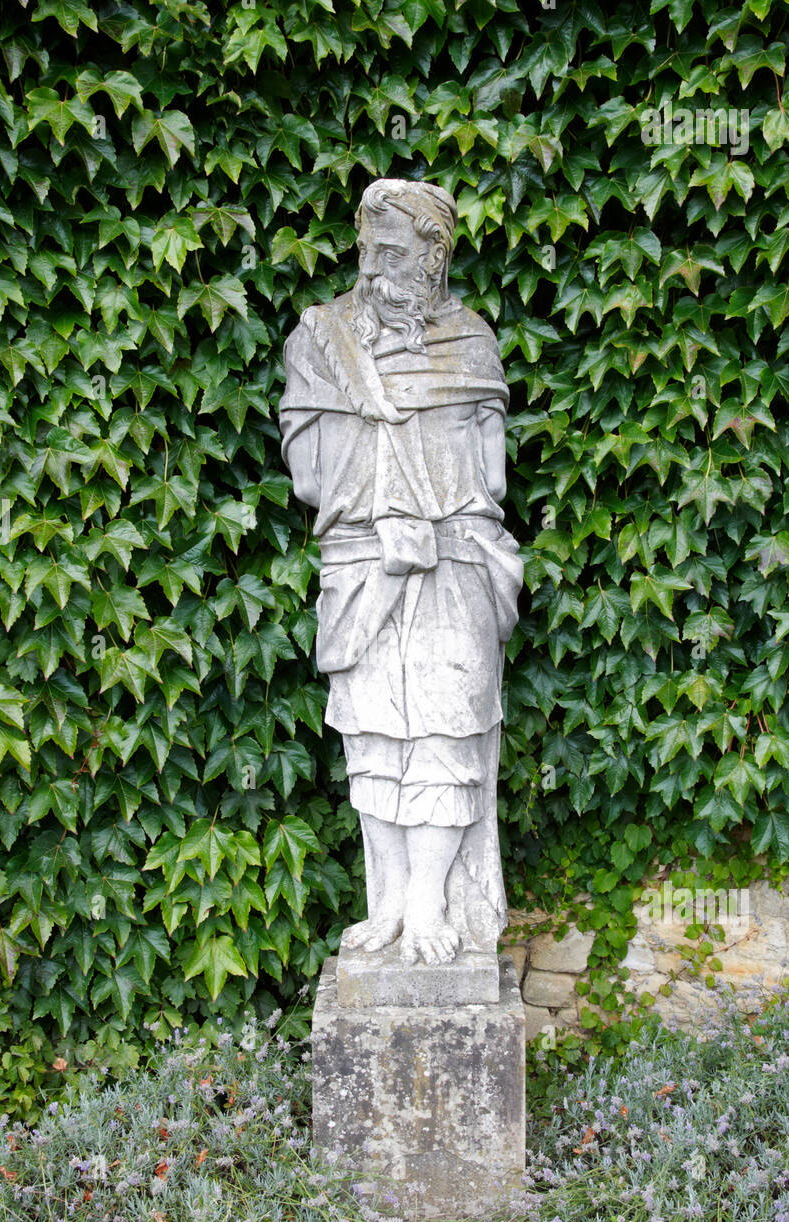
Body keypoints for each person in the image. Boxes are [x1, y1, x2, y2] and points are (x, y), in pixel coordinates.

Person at [279, 178, 523, 965]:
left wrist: (437, 514)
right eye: (370, 245)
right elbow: (308, 470)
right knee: (375, 734)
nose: (378, 262)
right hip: (361, 566)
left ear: (434, 256)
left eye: (398, 249)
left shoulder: (471, 342)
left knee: (449, 733)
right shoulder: (321, 340)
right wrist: (383, 503)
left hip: (455, 562)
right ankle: (385, 904)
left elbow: (491, 476)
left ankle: (429, 908)